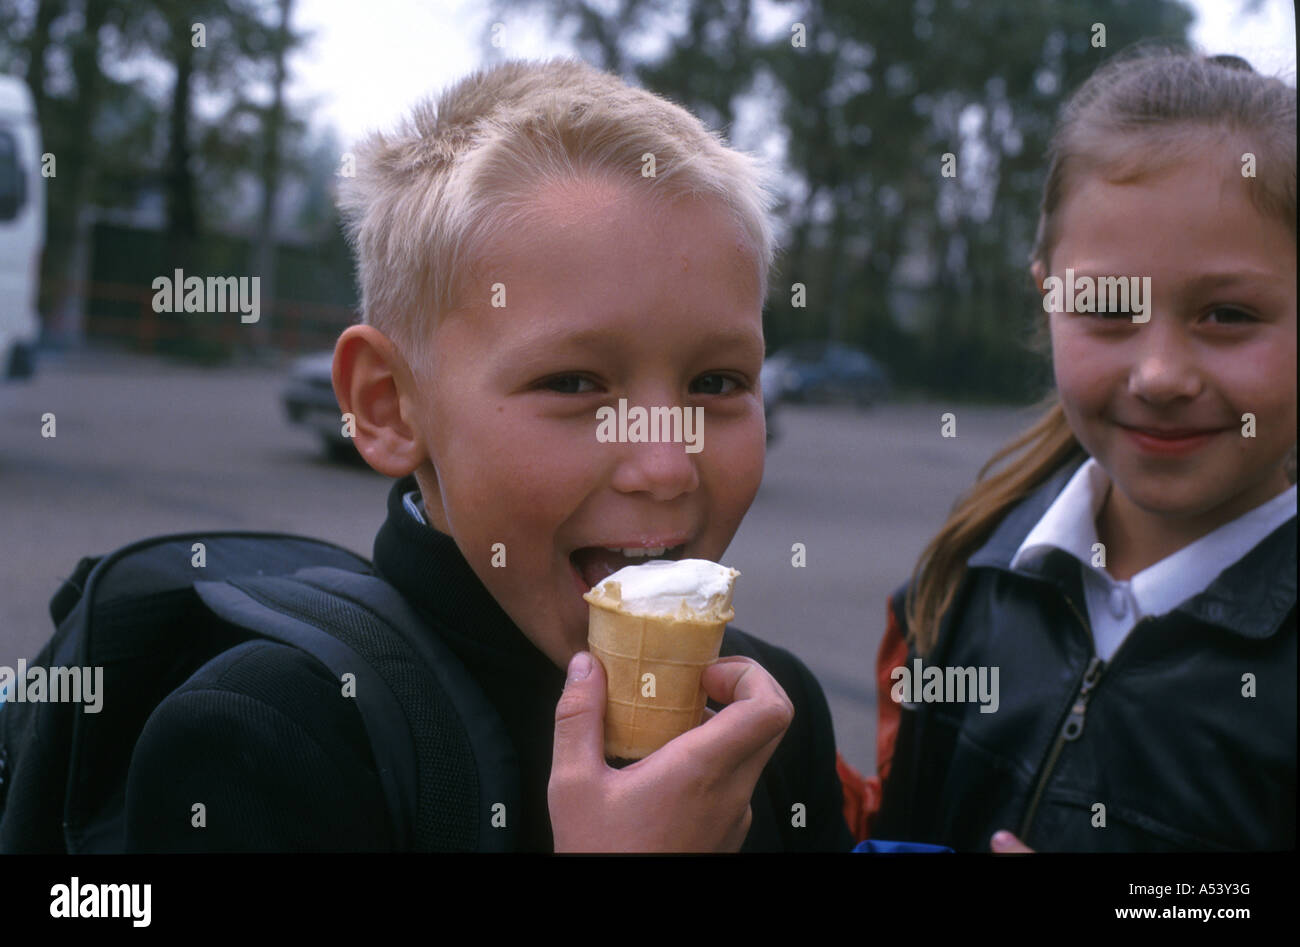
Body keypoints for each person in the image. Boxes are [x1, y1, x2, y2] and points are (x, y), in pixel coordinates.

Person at [121, 58, 853, 852]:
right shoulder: (266, 738)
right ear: (388, 406)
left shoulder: (774, 719)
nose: (666, 466)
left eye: (716, 381)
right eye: (574, 381)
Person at [836, 48, 1296, 852]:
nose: (1159, 375)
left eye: (1227, 314)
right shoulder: (961, 584)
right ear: (1046, 293)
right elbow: (893, 825)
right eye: (1107, 309)